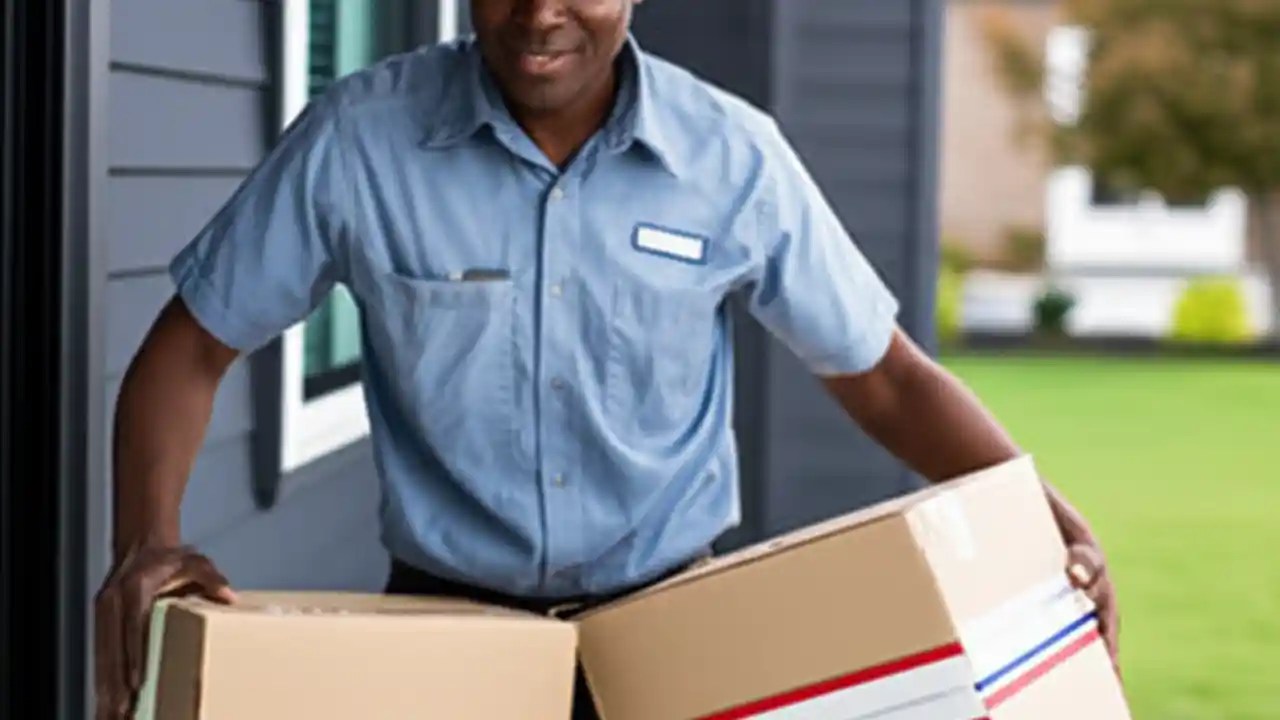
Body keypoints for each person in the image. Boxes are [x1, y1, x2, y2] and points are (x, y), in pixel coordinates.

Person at [93, 1, 1121, 718]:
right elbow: (189, 347)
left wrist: (1028, 507)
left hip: (678, 628)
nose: (540, 13)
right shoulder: (358, 141)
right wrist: (148, 541)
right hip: (439, 637)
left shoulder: (732, 156)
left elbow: (882, 373)